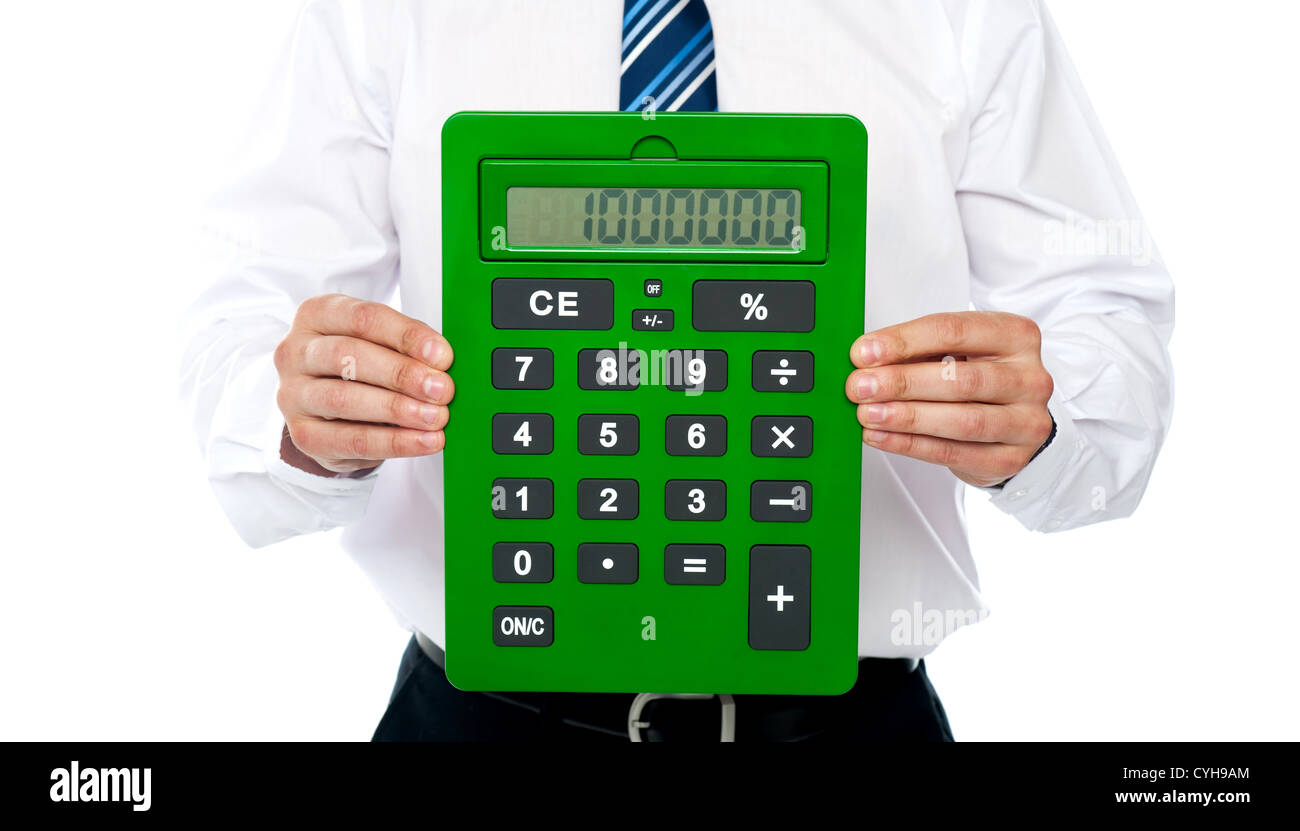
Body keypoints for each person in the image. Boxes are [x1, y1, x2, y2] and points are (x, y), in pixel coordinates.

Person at [182, 0, 1174, 741]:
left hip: (848, 725)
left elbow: (1105, 319)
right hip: (479, 716)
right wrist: (302, 415)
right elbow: (246, 322)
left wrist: (1043, 420)